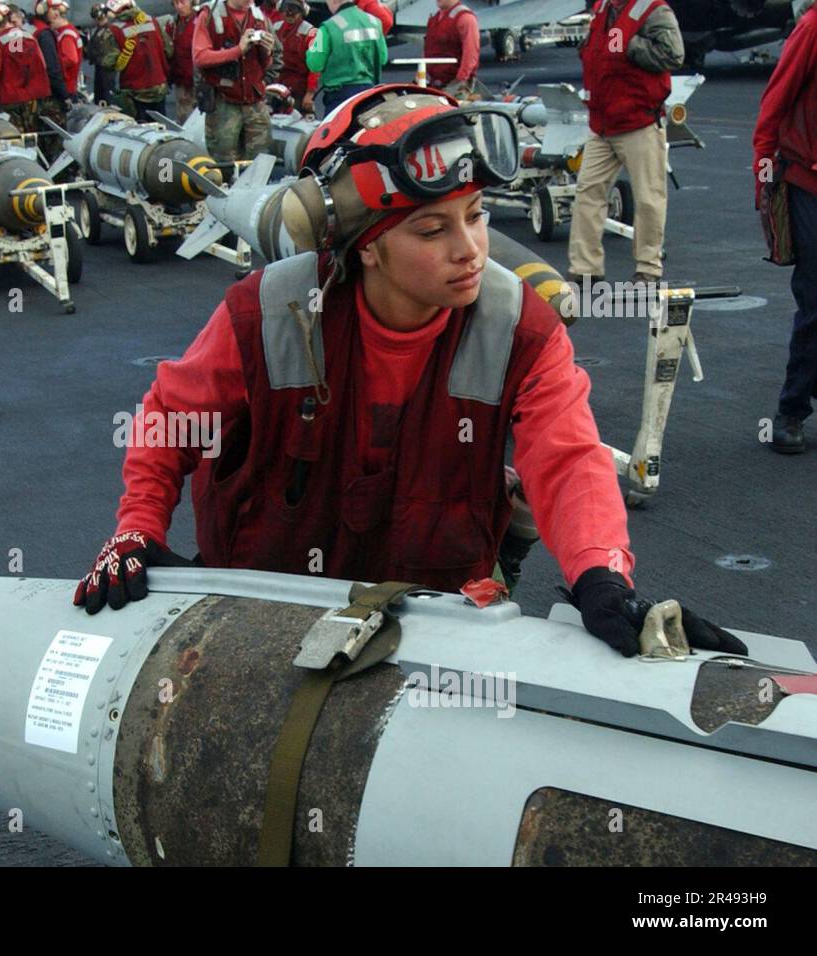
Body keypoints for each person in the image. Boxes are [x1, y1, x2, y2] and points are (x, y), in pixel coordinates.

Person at [72, 83, 748, 662]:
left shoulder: (518, 328)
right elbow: (169, 421)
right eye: (432, 231)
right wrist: (136, 529)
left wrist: (604, 579)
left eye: (476, 216)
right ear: (365, 248)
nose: (471, 251)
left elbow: (568, 459)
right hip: (264, 618)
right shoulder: (270, 314)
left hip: (431, 628)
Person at [567, 0, 683, 286]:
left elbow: (673, 54)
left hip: (638, 123)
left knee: (648, 199)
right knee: (587, 192)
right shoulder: (604, 11)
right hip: (604, 124)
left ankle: (648, 269)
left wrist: (630, 46)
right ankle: (585, 268)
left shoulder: (653, 9)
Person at [753, 0, 817, 454]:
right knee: (816, 302)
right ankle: (791, 411)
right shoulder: (812, 28)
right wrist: (763, 180)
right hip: (809, 186)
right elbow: (773, 102)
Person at [192, 0, 275, 165]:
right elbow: (199, 57)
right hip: (224, 102)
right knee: (224, 163)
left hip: (254, 102)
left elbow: (265, 65)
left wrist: (267, 50)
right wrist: (237, 50)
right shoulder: (209, 14)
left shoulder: (259, 17)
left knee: (260, 162)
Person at [304, 0, 390, 116]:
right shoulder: (374, 22)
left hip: (340, 98)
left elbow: (314, 64)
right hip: (369, 94)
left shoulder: (327, 27)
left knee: (336, 133)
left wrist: (312, 48)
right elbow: (383, 58)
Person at [0, 1, 52, 134]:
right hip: (34, 100)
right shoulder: (28, 36)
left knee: (14, 140)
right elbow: (43, 64)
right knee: (32, 139)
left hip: (10, 100)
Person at [98, 0, 173, 122]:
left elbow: (108, 63)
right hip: (159, 87)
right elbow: (168, 50)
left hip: (134, 92)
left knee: (138, 130)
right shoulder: (152, 21)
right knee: (162, 127)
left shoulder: (114, 30)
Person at [31, 0, 73, 150]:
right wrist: (65, 95)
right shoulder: (45, 35)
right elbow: (53, 69)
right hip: (50, 97)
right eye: (53, 10)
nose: (57, 13)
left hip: (33, 97)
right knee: (58, 142)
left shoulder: (30, 30)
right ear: (42, 10)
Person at [423, 0, 479, 99]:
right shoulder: (435, 19)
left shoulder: (466, 18)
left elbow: (471, 53)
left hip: (455, 85)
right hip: (434, 83)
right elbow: (428, 49)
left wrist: (460, 81)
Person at [274, 0, 317, 114]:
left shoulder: (312, 33)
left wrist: (310, 93)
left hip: (298, 91)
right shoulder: (275, 28)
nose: (290, 13)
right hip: (275, 86)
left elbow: (316, 67)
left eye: (295, 9)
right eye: (287, 8)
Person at [159, 0, 198, 122]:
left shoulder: (202, 21)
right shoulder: (173, 25)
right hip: (181, 81)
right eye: (176, 3)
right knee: (184, 120)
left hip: (200, 82)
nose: (179, 7)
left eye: (183, 2)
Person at [47, 0, 85, 100]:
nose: (49, 25)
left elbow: (71, 59)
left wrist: (52, 65)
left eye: (50, 22)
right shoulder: (70, 31)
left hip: (67, 87)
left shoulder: (66, 35)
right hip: (71, 85)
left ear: (57, 17)